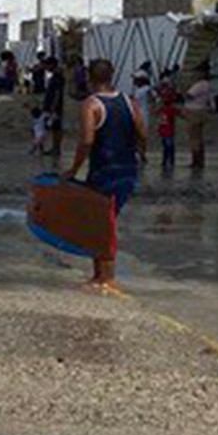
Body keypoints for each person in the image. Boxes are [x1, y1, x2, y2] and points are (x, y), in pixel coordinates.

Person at [67, 54, 141, 291]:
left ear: (89, 78)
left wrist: (73, 169)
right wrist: (141, 155)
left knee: (102, 223)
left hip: (104, 171)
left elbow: (87, 141)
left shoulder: (91, 104)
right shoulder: (130, 101)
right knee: (102, 221)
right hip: (128, 170)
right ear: (112, 76)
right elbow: (142, 133)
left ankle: (106, 277)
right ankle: (99, 275)